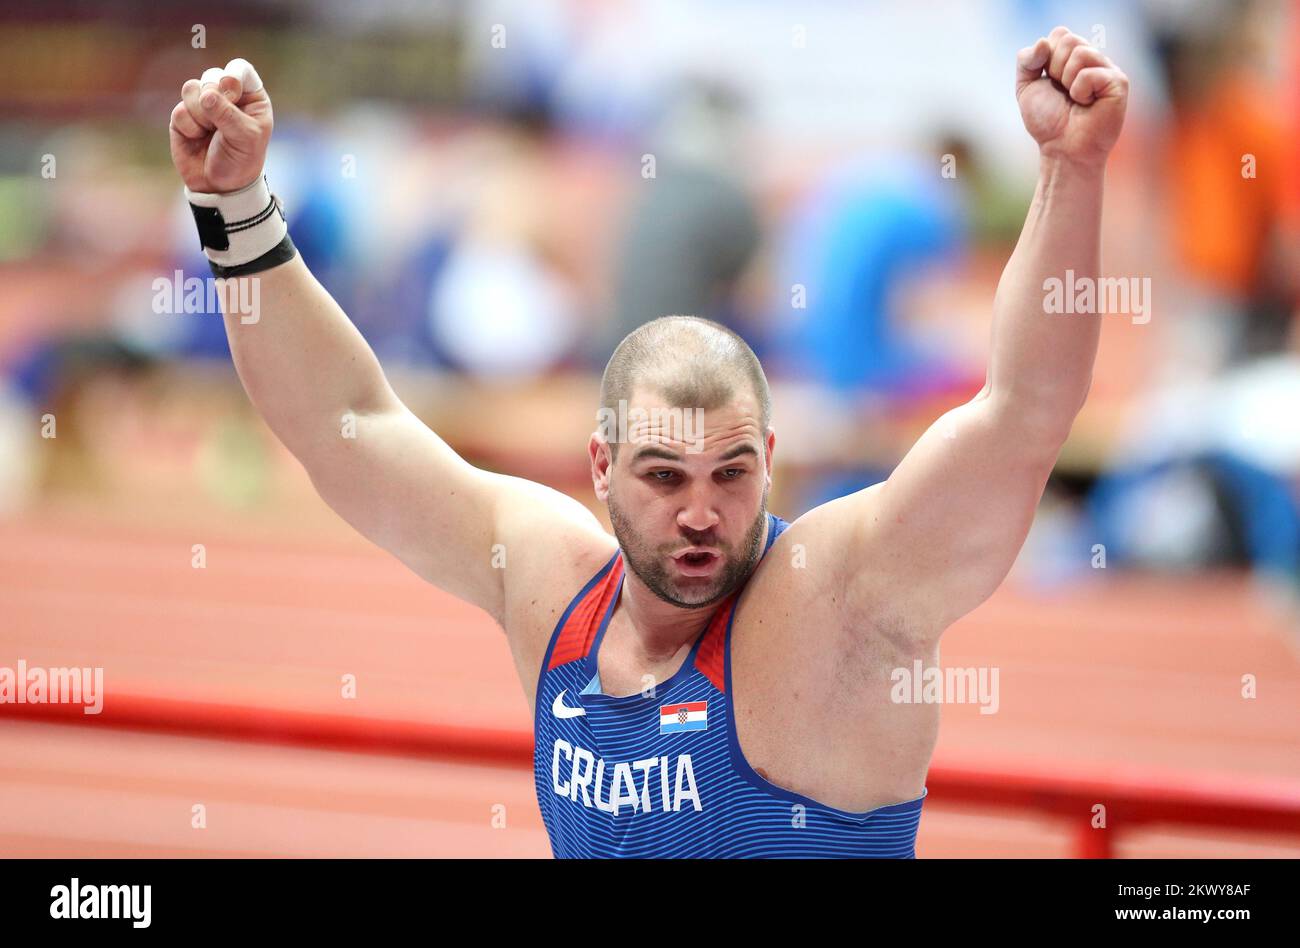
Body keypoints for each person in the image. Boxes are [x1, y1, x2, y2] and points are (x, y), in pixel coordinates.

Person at [166, 27, 1129, 857]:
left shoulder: (835, 609)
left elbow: (1023, 414)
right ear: (600, 469)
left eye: (732, 474)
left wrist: (1071, 170)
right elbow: (345, 426)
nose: (703, 514)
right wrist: (237, 208)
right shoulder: (549, 584)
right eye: (664, 477)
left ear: (770, 460)